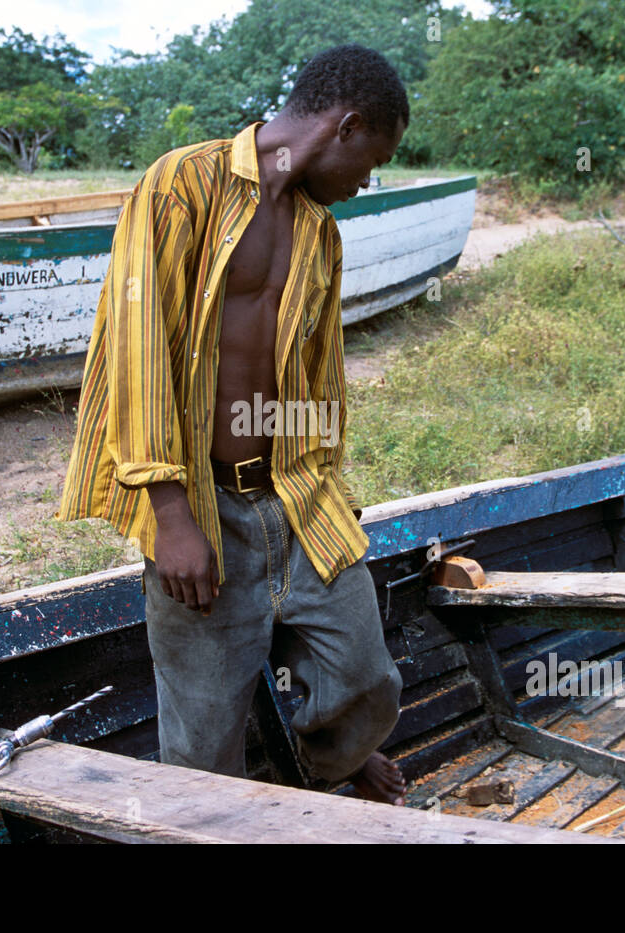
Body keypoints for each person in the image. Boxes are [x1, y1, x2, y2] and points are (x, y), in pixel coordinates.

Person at [57, 45, 409, 804]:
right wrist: (170, 512)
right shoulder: (184, 183)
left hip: (293, 491)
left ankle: (330, 763)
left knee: (367, 678)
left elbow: (317, 376)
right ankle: (217, 816)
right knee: (203, 735)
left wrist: (329, 485)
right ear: (345, 126)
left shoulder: (321, 232)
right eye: (371, 161)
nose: (364, 183)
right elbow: (138, 342)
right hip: (200, 502)